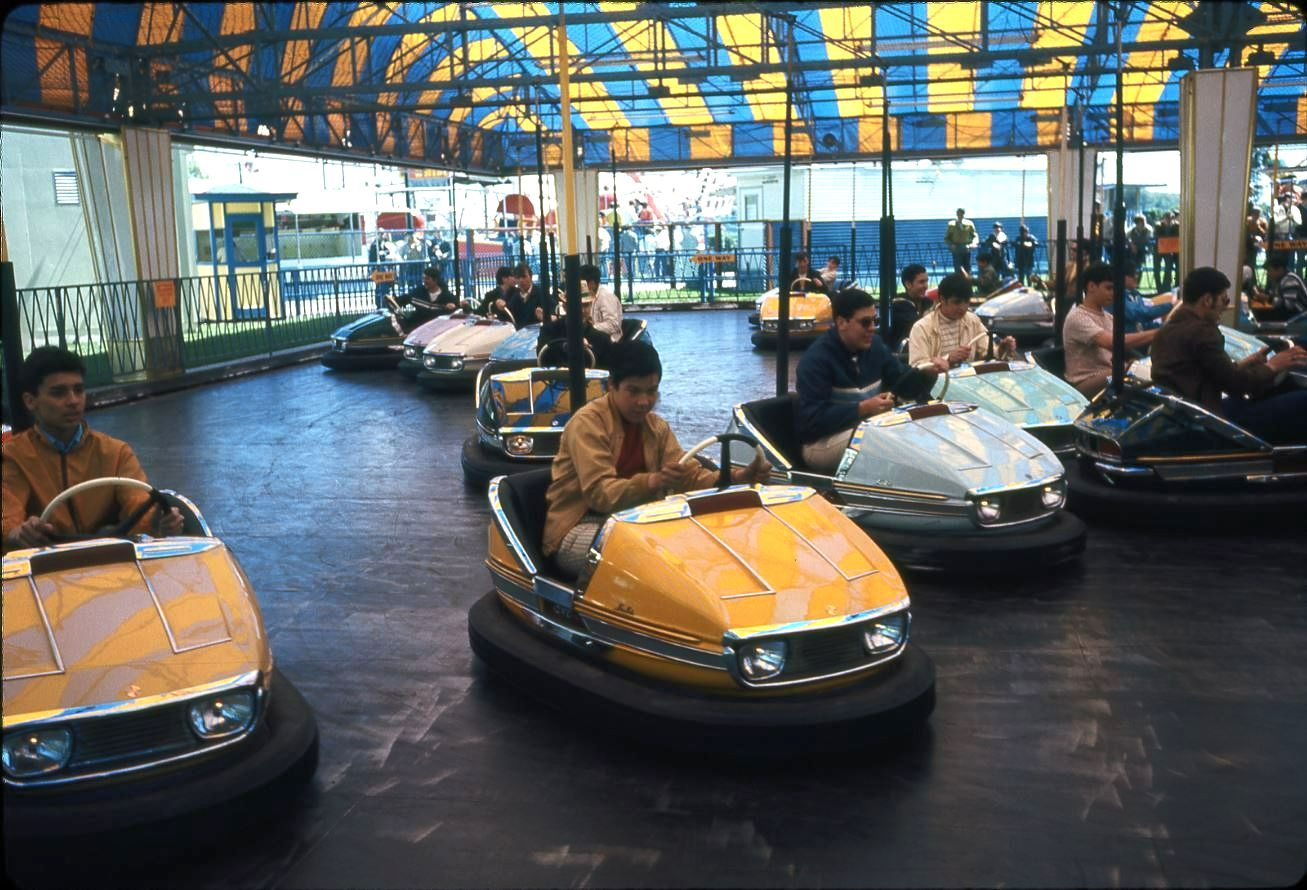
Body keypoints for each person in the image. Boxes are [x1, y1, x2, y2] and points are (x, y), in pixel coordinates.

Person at [542, 340, 770, 577]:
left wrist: (737, 477)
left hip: (637, 524)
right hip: (578, 528)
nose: (644, 402)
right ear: (612, 386)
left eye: (651, 391)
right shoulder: (587, 424)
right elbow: (601, 495)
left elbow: (688, 475)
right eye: (633, 391)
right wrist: (653, 481)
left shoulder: (656, 427)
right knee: (652, 560)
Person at [3, 348, 184, 553]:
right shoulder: (13, 456)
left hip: (109, 562)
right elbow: (7, 516)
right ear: (30, 401)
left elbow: (138, 503)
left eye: (79, 390)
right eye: (58, 393)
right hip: (46, 566)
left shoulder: (115, 453)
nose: (73, 401)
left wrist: (159, 522)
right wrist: (18, 532)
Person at [1151, 266, 1307, 444]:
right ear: (1208, 300)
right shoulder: (1202, 332)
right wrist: (1273, 366)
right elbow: (1236, 384)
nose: (1225, 308)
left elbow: (1210, 373)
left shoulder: (1165, 332)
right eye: (1224, 301)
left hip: (1186, 415)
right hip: (1209, 421)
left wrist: (1249, 362)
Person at [796, 288, 937, 473]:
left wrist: (929, 372)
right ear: (841, 323)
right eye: (865, 322)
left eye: (875, 321)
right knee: (880, 439)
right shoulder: (816, 361)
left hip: (868, 428)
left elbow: (904, 383)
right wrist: (862, 408)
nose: (872, 328)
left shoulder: (875, 346)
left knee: (916, 430)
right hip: (821, 443)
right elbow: (811, 422)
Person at [1062, 262, 1159, 397]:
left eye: (1115, 289)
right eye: (1109, 288)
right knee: (1126, 372)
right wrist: (1158, 333)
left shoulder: (1108, 317)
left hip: (1108, 374)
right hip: (1084, 383)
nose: (1113, 294)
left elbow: (1116, 350)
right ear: (1091, 287)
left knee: (1142, 370)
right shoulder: (1078, 317)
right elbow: (1113, 342)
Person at [909, 273, 1017, 368]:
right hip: (936, 387)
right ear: (942, 299)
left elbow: (986, 352)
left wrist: (1001, 350)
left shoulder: (972, 320)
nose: (963, 308)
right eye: (957, 302)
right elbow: (917, 367)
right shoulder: (922, 327)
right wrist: (948, 359)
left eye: (967, 302)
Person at [1107, 263, 1173, 332]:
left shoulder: (1135, 294)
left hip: (1141, 337)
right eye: (1133, 275)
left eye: (1137, 274)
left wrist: (1165, 327)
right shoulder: (1115, 296)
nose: (1136, 277)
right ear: (1123, 277)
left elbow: (1145, 323)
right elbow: (1140, 314)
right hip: (1130, 340)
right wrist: (1170, 305)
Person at [578, 263, 623, 342]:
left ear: (591, 284)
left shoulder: (606, 297)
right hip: (593, 337)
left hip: (608, 342)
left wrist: (589, 329)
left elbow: (613, 325)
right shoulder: (588, 296)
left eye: (582, 284)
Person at [1258, 253, 1307, 322]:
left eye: (1269, 270)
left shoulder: (1289, 280)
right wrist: (1265, 294)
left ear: (1280, 269)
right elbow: (1275, 295)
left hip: (1300, 316)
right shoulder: (1280, 280)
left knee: (1262, 316)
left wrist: (1269, 298)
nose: (1268, 274)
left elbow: (1288, 305)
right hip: (1294, 313)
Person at [943, 207, 978, 276]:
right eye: (959, 213)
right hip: (956, 248)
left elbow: (975, 235)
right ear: (956, 214)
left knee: (968, 266)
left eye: (962, 213)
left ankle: (968, 282)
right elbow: (946, 238)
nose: (960, 214)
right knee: (958, 267)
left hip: (967, 247)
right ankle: (959, 283)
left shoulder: (969, 223)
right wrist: (951, 244)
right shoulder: (951, 224)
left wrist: (974, 243)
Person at [1153, 210, 1179, 293]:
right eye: (1167, 218)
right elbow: (1158, 237)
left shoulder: (1176, 226)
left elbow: (1176, 237)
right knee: (1156, 269)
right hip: (1158, 250)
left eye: (1170, 218)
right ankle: (1159, 288)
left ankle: (1166, 287)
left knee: (1168, 268)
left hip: (1169, 250)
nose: (1168, 220)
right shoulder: (1158, 226)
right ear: (1163, 218)